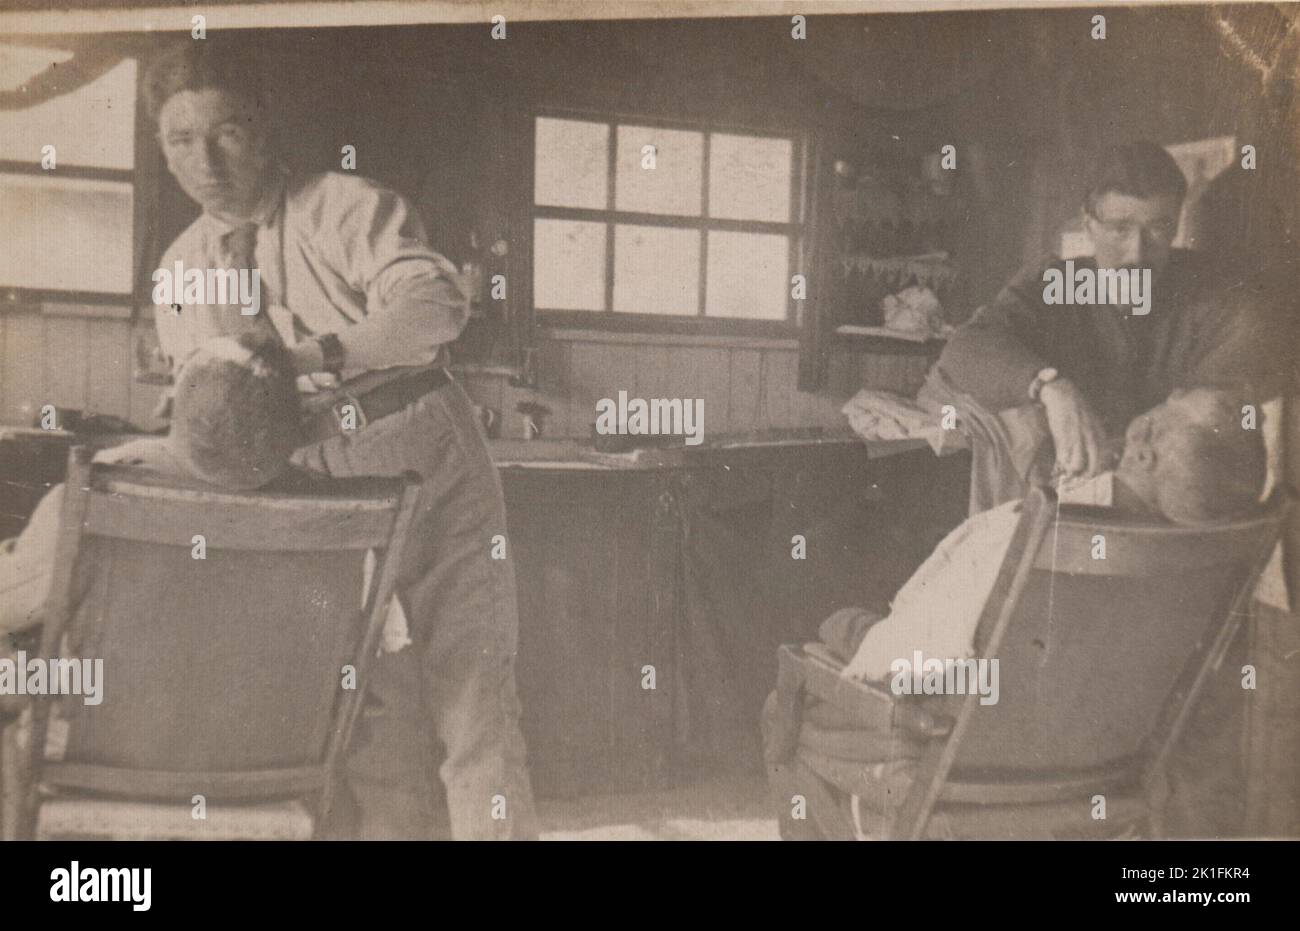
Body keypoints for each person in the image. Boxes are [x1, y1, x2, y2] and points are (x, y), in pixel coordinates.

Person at [141, 40, 536, 839]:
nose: (205, 160)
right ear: (161, 148)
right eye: (181, 140)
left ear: (264, 128)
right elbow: (204, 406)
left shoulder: (344, 206)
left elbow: (436, 305)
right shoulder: (181, 270)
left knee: (473, 704)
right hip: (312, 482)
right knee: (372, 714)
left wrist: (319, 353)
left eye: (227, 131)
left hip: (418, 443)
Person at [763, 388, 1268, 839]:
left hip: (951, 776)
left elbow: (908, 665)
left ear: (1141, 443)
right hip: (1087, 789)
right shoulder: (1207, 564)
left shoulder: (1032, 532)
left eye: (1169, 402)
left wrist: (850, 634)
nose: (1164, 394)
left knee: (798, 678)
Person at [932, 141, 1285, 511]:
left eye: (1158, 229)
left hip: (1169, 512)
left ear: (1177, 224)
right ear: (1089, 225)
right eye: (1119, 229)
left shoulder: (1210, 291)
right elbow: (965, 347)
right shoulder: (1057, 282)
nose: (1137, 253)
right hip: (1076, 503)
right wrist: (1051, 389)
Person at [0, 336, 302, 692]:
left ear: (169, 404)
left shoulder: (91, 491)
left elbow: (10, 606)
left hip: (100, 730)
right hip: (273, 741)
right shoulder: (331, 512)